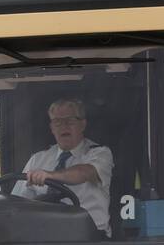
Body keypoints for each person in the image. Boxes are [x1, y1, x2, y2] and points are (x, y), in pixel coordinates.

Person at [13, 98, 112, 236]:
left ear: (82, 125)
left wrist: (50, 176)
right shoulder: (38, 159)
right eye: (57, 122)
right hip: (44, 237)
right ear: (52, 128)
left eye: (70, 121)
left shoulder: (99, 153)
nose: (64, 126)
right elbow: (18, 202)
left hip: (89, 238)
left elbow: (85, 172)